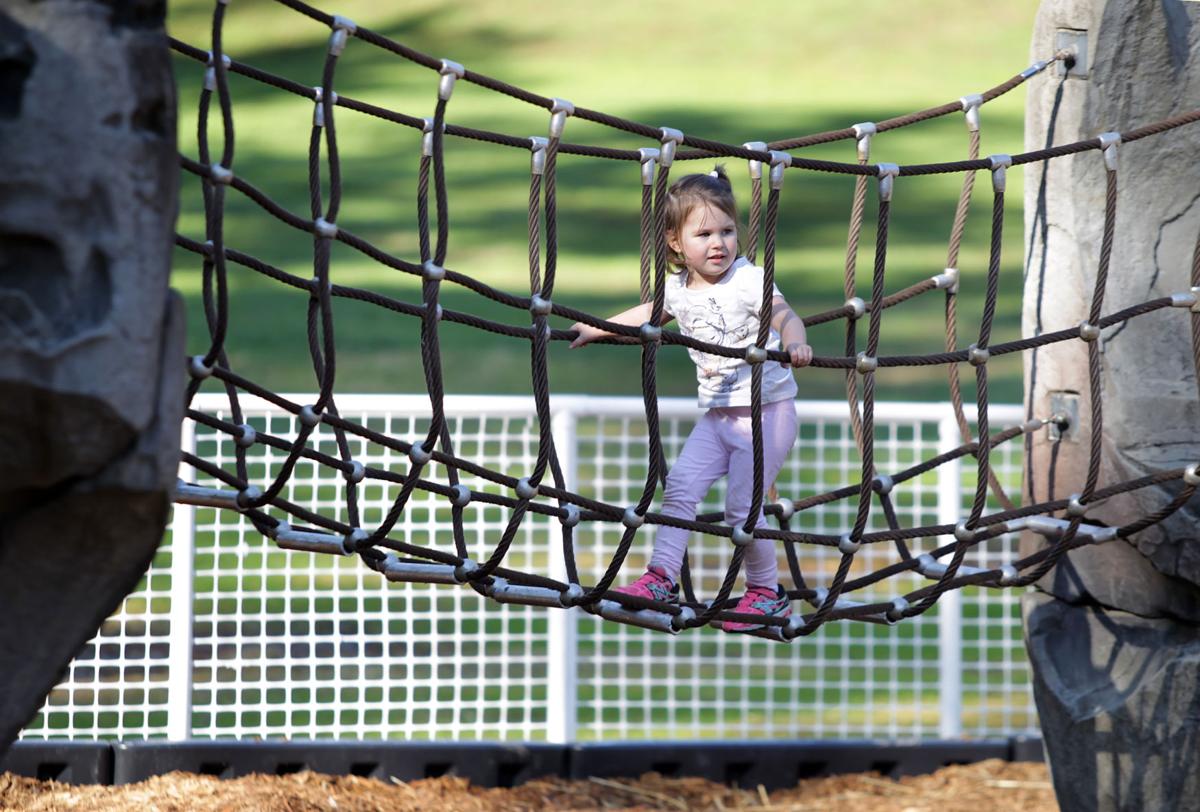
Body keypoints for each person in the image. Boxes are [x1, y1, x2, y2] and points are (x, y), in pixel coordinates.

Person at [569, 166, 812, 632]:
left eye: (726, 231)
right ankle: (661, 579)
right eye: (704, 234)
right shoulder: (679, 291)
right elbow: (649, 311)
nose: (718, 243)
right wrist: (594, 328)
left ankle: (766, 593)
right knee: (679, 489)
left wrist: (795, 342)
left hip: (767, 415)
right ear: (676, 242)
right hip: (719, 418)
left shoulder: (747, 280)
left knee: (744, 509)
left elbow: (784, 314)